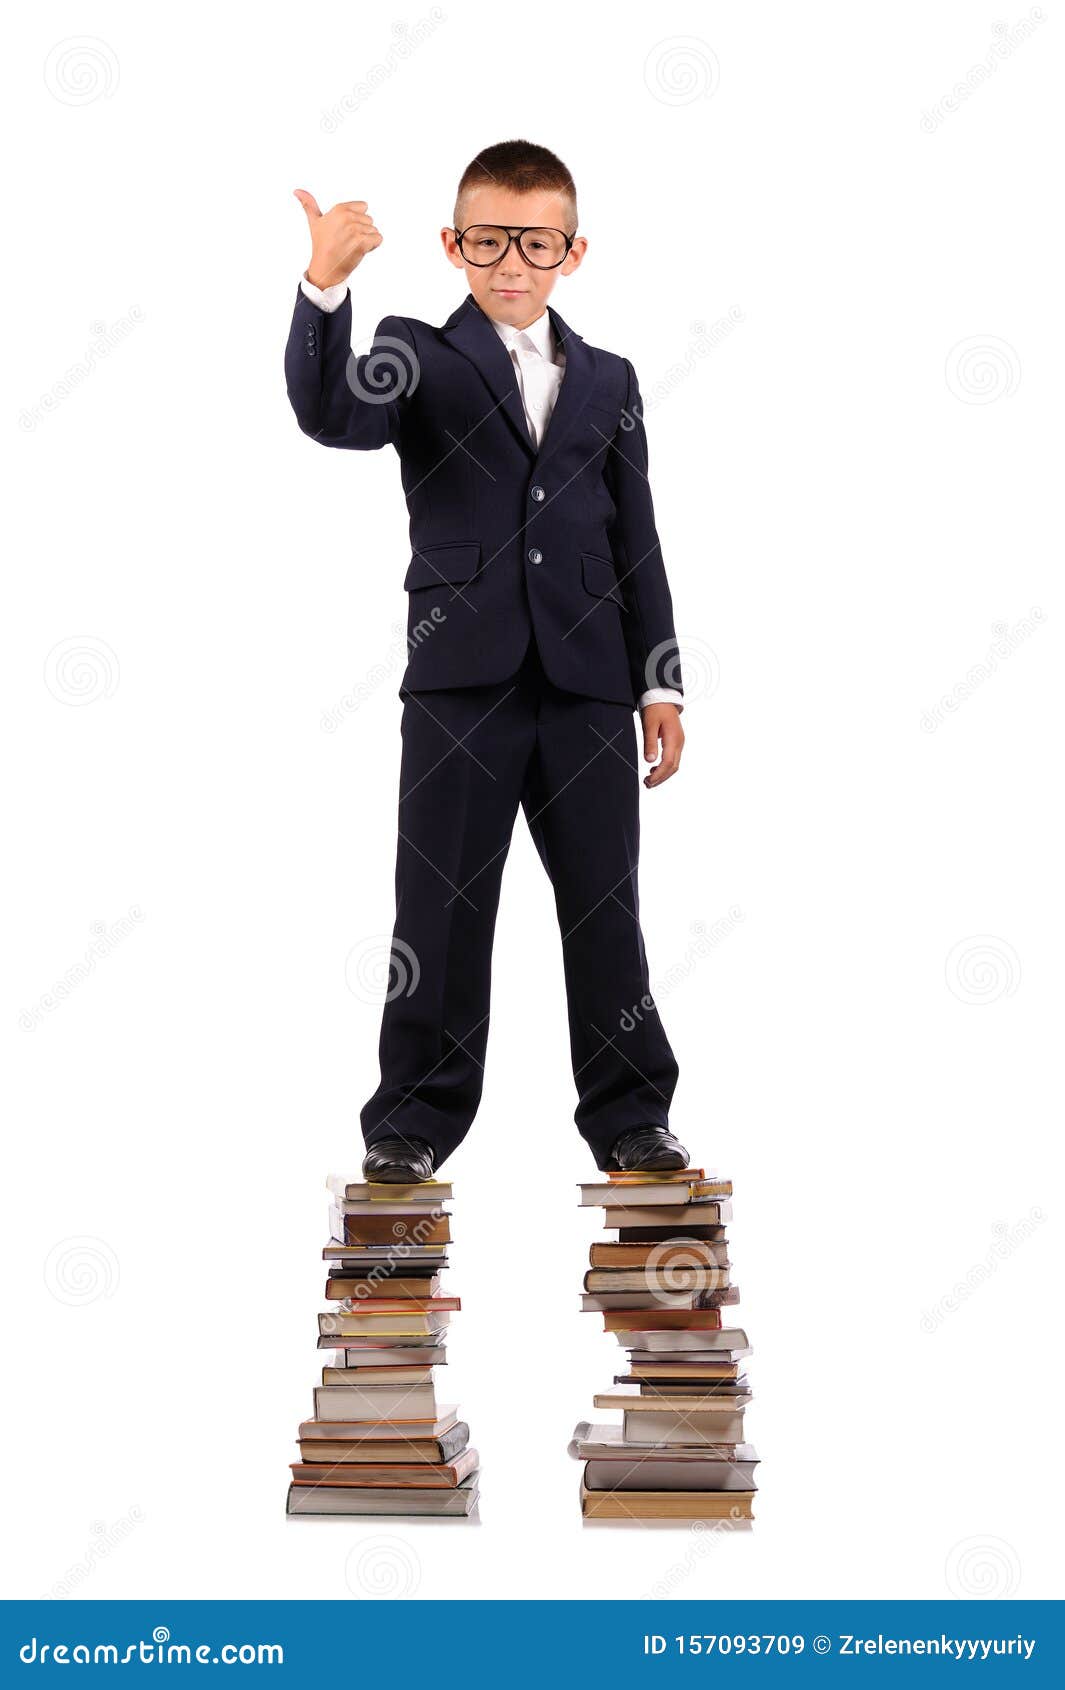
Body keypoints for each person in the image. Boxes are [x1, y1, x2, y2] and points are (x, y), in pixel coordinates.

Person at [285, 139, 689, 1182]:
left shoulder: (610, 379)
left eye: (537, 242)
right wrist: (324, 288)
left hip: (590, 684)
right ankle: (411, 1121)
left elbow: (636, 538)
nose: (513, 262)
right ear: (452, 244)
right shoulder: (417, 351)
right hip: (460, 680)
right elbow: (334, 416)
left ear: (573, 252)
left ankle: (633, 1115)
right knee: (440, 909)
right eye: (489, 240)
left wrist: (659, 680)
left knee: (606, 910)